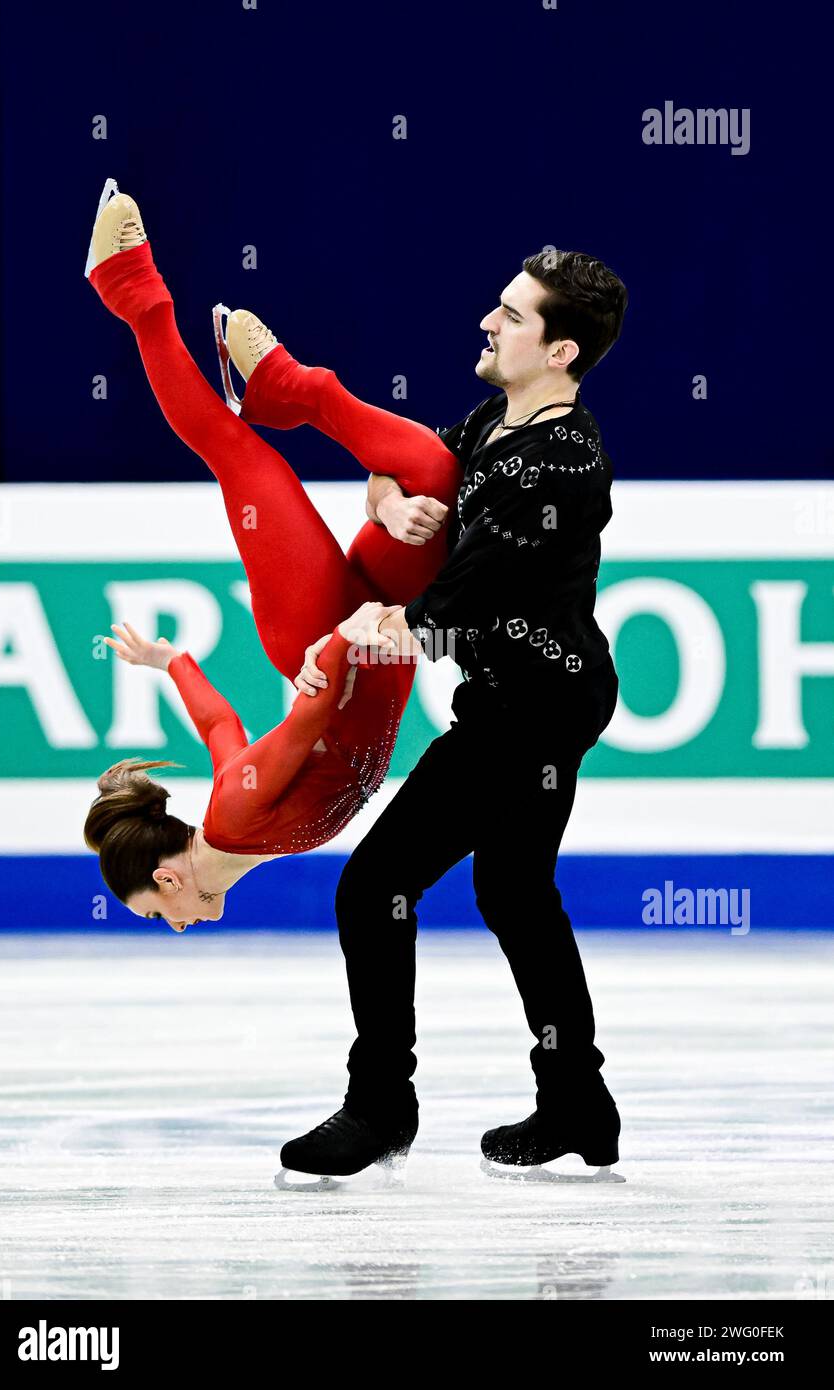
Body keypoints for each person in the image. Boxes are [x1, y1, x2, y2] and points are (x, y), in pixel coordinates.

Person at [281, 248, 629, 1182]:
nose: (488, 321)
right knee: (513, 891)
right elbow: (398, 470)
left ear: (560, 351)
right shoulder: (493, 420)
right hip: (525, 692)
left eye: (512, 316)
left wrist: (373, 629)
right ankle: (579, 1101)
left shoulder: (560, 464)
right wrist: (391, 507)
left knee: (374, 886)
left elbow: (458, 607)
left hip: (535, 709)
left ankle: (381, 1104)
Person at [82, 185, 460, 931]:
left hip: (323, 628)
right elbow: (224, 730)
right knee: (434, 477)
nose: (179, 922)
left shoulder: (233, 816)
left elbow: (308, 716)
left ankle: (129, 289)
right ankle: (277, 387)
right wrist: (173, 666)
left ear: (166, 878)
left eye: (158, 912)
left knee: (231, 453)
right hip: (375, 638)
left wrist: (344, 638)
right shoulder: (236, 820)